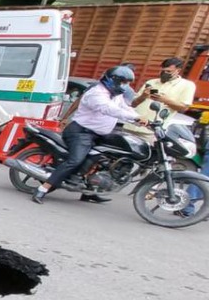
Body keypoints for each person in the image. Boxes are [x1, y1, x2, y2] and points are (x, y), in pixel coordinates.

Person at [31, 65, 141, 204]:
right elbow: (109, 109)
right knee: (75, 161)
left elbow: (125, 108)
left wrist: (142, 120)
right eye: (123, 82)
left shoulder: (116, 95)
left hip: (100, 134)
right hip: (81, 133)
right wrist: (135, 118)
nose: (125, 86)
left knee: (106, 159)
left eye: (128, 83)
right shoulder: (96, 93)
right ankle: (42, 189)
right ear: (113, 80)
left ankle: (89, 192)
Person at [129, 57, 195, 132]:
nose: (164, 73)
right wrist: (143, 96)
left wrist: (165, 100)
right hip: (132, 125)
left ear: (178, 71)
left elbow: (184, 108)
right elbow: (133, 104)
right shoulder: (151, 82)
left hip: (152, 130)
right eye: (162, 71)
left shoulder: (187, 85)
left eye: (168, 71)